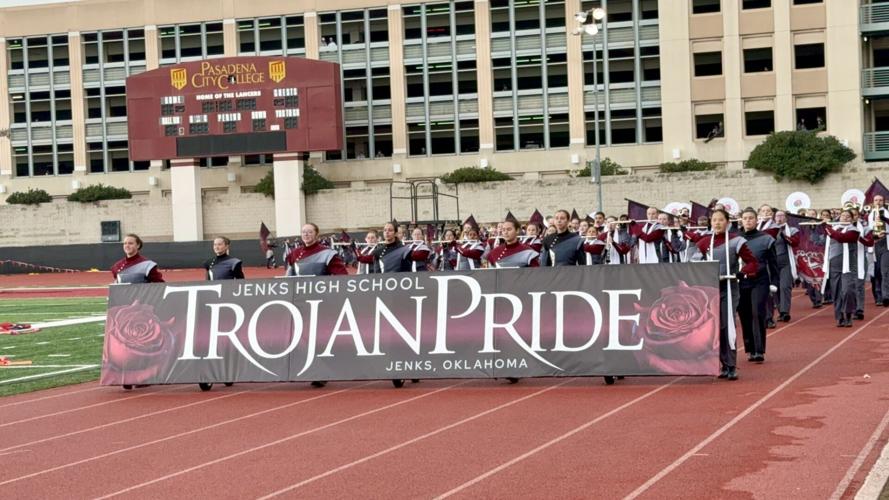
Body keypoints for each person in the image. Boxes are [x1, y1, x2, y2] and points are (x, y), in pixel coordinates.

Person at [696, 209, 759, 380]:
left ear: (727, 222)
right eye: (714, 220)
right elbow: (693, 265)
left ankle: (730, 365)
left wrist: (741, 273)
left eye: (720, 220)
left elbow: (753, 263)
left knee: (726, 325)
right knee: (712, 328)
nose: (717, 223)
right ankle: (718, 364)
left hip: (729, 288)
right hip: (709, 291)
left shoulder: (736, 241)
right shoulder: (703, 243)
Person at [486, 218, 539, 384]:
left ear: (517, 230)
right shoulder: (494, 253)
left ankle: (516, 366)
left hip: (520, 298)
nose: (506, 232)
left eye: (509, 229)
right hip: (500, 298)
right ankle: (503, 364)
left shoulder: (528, 252)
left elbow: (535, 275)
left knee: (518, 333)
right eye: (503, 230)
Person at [111, 233, 164, 391]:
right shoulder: (116, 266)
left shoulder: (148, 265)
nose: (127, 246)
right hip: (123, 311)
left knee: (142, 344)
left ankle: (144, 377)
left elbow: (159, 285)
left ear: (138, 245)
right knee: (123, 344)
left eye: (131, 243)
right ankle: (126, 375)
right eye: (125, 243)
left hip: (143, 312)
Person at [201, 236, 243, 391]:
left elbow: (241, 283)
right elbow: (207, 283)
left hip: (228, 305)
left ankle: (228, 370)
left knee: (227, 337)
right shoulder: (208, 263)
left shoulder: (235, 262)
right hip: (212, 304)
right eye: (215, 244)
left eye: (220, 244)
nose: (217, 246)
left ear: (226, 246)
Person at [737, 208, 779, 363]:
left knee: (757, 313)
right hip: (741, 281)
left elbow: (773, 264)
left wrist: (774, 282)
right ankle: (750, 348)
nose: (748, 221)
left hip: (760, 281)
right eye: (745, 218)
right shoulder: (735, 238)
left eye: (751, 218)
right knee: (744, 314)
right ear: (741, 220)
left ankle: (759, 350)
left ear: (756, 220)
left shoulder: (766, 239)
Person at [822, 211, 861, 327]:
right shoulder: (834, 228)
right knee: (837, 292)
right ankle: (839, 316)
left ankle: (848, 314)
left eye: (848, 216)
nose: (845, 218)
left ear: (852, 219)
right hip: (834, 265)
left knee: (848, 290)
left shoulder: (854, 231)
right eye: (843, 216)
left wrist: (827, 227)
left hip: (848, 266)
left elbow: (841, 238)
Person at [773, 211, 799, 322]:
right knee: (775, 288)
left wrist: (783, 235)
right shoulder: (769, 230)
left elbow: (794, 242)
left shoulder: (792, 230)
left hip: (786, 262)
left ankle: (785, 312)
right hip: (773, 262)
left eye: (782, 216)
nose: (779, 218)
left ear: (786, 218)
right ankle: (780, 310)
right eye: (777, 216)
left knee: (785, 287)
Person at [871, 195, 889, 306]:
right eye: (876, 200)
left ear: (884, 201)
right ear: (873, 202)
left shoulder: (887, 212)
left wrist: (884, 219)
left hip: (886, 242)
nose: (878, 202)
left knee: (885, 271)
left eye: (880, 200)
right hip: (874, 243)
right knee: (876, 272)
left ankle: (886, 296)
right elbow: (868, 228)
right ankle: (878, 296)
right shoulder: (870, 214)